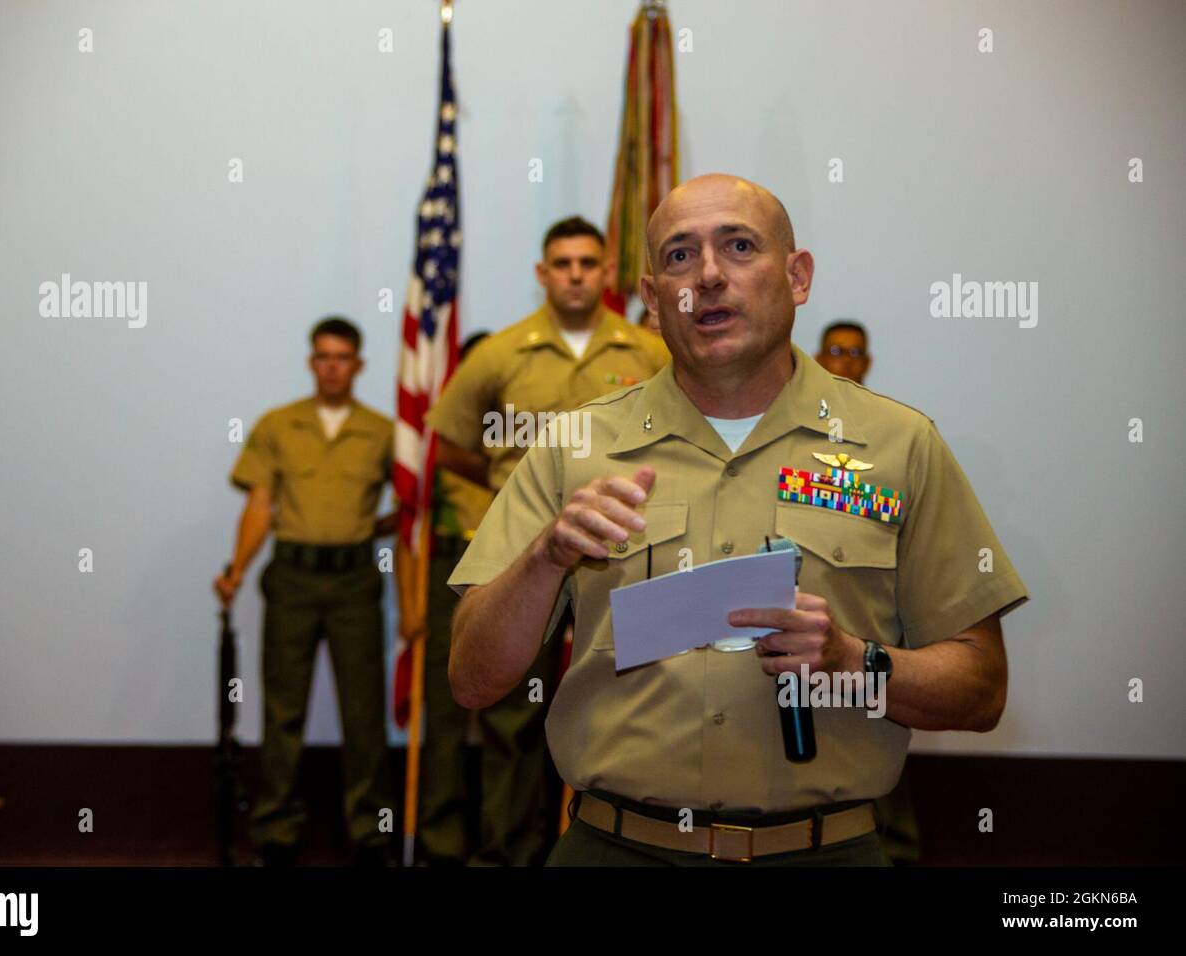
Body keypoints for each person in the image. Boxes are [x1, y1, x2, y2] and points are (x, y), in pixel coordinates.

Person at [445, 174, 1029, 866]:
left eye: (740, 246)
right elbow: (473, 681)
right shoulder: (574, 449)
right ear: (654, 301)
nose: (711, 276)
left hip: (824, 850)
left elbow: (981, 689)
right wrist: (544, 557)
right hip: (614, 847)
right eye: (680, 257)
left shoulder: (897, 446)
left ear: (798, 275)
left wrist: (853, 663)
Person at [426, 215, 670, 865]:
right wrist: (512, 498)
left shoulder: (649, 352)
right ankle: (509, 853)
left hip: (624, 560)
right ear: (542, 273)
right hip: (528, 563)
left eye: (588, 263)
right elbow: (451, 446)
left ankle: (607, 852)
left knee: (626, 699)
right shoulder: (500, 354)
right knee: (511, 719)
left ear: (605, 271)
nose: (575, 274)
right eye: (562, 263)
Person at [214, 316, 398, 868]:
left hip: (354, 581)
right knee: (283, 708)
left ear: (359, 364)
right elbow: (259, 505)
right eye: (322, 356)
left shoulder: (382, 431)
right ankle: (276, 830)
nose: (332, 366)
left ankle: (369, 832)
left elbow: (407, 505)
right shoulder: (279, 425)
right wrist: (237, 570)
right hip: (292, 577)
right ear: (310, 362)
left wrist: (374, 531)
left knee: (364, 712)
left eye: (342, 357)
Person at [814, 319, 922, 865]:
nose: (846, 361)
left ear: (868, 363)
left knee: (879, 757)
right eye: (835, 350)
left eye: (855, 353)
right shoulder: (803, 432)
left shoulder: (890, 437)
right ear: (817, 356)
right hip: (809, 639)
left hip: (871, 634)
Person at [417, 331, 493, 866]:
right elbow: (412, 521)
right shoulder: (442, 447)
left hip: (511, 571)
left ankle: (505, 843)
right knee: (444, 715)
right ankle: (439, 844)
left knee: (513, 720)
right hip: (450, 566)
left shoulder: (525, 438)